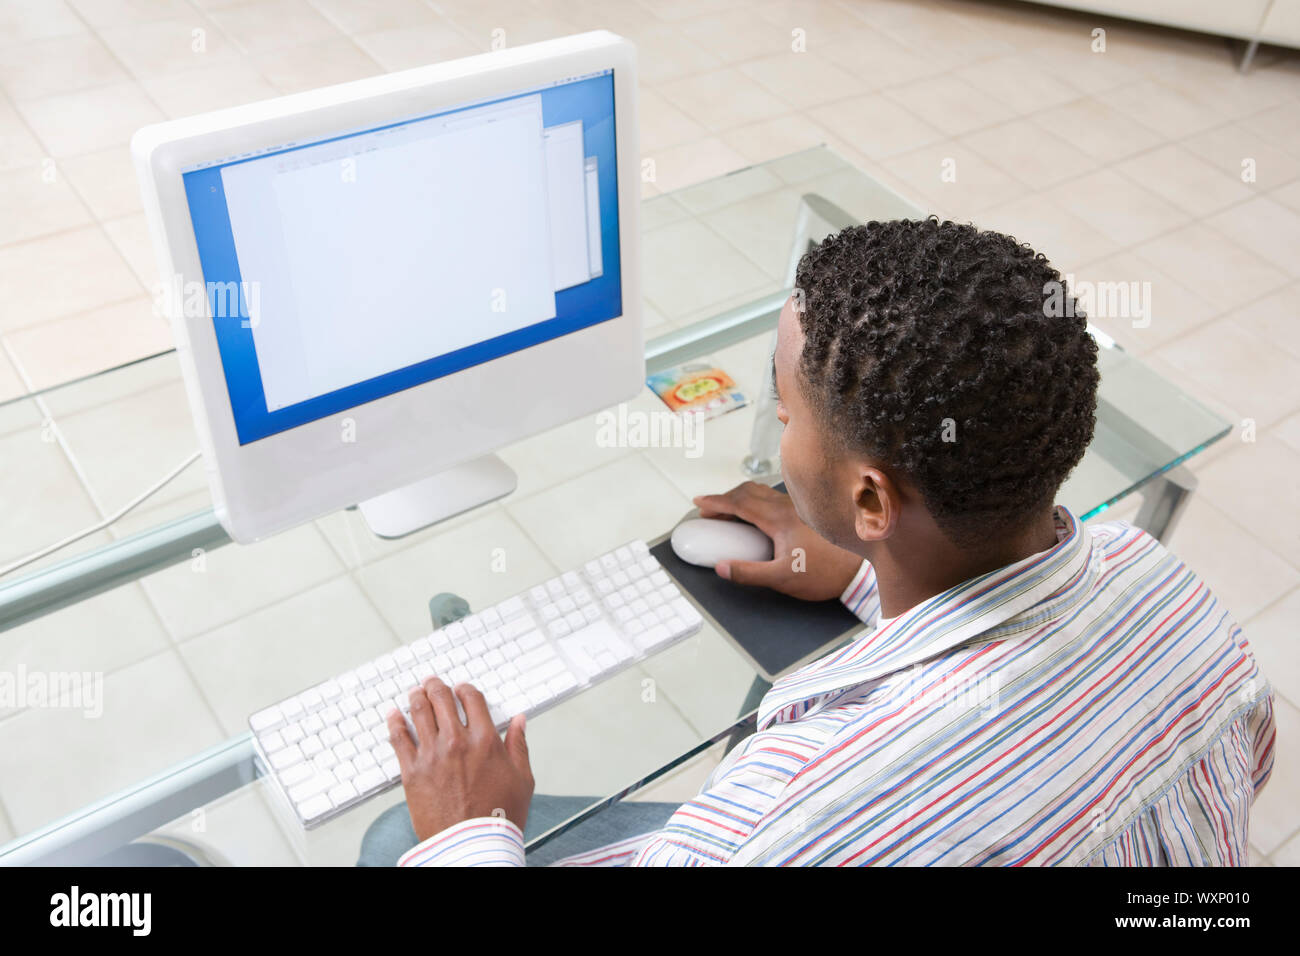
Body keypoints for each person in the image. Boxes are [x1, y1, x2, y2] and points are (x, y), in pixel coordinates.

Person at [364, 219, 1275, 867]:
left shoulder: (782, 823)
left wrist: (466, 832)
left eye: (787, 411)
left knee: (395, 840)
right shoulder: (1168, 590)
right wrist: (866, 566)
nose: (780, 428)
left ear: (870, 495)